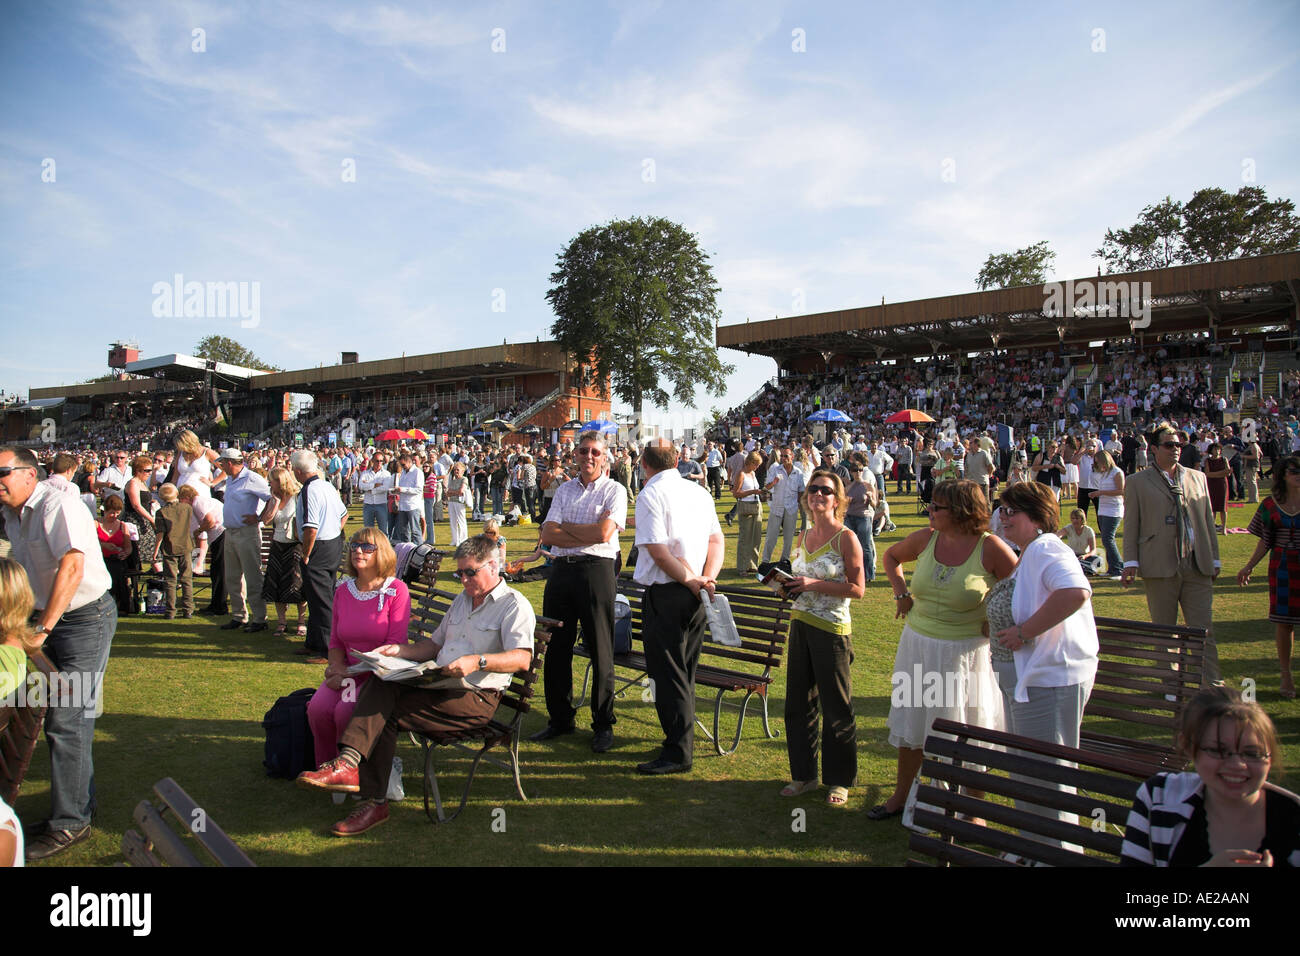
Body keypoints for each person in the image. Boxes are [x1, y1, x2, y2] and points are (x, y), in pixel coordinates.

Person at [296, 535, 534, 836]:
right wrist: (400, 652)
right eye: (459, 573)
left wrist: (478, 661)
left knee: (385, 711)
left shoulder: (513, 605)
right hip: (440, 685)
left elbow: (522, 658)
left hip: (475, 697)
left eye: (469, 572)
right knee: (382, 681)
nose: (462, 580)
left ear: (492, 566)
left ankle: (372, 799)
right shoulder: (462, 600)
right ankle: (350, 765)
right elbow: (433, 645)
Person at [872, 479, 1017, 820]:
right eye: (931, 505)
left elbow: (1020, 587)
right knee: (913, 724)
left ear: (963, 511)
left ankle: (972, 810)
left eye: (937, 507)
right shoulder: (926, 538)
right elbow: (891, 555)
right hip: (917, 646)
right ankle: (900, 796)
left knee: (968, 730)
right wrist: (901, 593)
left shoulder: (990, 547)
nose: (930, 511)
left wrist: (996, 619)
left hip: (966, 654)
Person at [0, 445, 116, 860]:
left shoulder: (58, 502)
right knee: (40, 707)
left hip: (82, 618)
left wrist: (41, 629)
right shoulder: (13, 510)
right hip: (45, 616)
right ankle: (76, 805)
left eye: (3, 472)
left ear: (30, 474)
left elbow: (73, 564)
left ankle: (72, 823)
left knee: (69, 718)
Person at [1120, 686, 1298, 866]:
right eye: (1218, 750)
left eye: (1252, 753)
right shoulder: (1159, 797)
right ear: (1188, 747)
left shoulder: (1294, 818)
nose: (1237, 765)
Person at [632, 436, 724, 774]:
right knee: (683, 671)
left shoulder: (650, 493)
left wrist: (692, 580)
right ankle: (678, 743)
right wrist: (706, 578)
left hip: (672, 591)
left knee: (668, 673)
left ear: (645, 465)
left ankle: (677, 751)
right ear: (675, 461)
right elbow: (717, 540)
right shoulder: (698, 492)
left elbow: (658, 550)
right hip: (695, 590)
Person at [530, 432, 626, 752]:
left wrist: (566, 530)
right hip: (561, 571)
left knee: (600, 649)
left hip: (597, 572)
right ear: (575, 455)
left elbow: (604, 533)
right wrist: (580, 533)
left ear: (605, 457)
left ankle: (602, 724)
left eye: (595, 452)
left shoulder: (615, 490)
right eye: (583, 451)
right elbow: (547, 531)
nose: (589, 456)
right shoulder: (564, 489)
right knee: (556, 646)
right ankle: (560, 719)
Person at [988, 481, 1098, 747]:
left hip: (1047, 683)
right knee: (1025, 769)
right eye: (1002, 510)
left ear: (1038, 515)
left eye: (1012, 511)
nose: (1003, 517)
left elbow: (1075, 591)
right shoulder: (1029, 551)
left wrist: (1024, 632)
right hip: (1027, 681)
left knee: (1044, 774)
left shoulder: (1046, 547)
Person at [778, 469, 865, 806]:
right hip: (800, 624)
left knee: (836, 707)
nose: (818, 495)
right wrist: (786, 587)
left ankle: (840, 780)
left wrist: (813, 585)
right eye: (813, 489)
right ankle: (803, 776)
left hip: (832, 631)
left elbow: (858, 589)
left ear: (837, 499)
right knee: (798, 705)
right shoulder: (802, 536)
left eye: (825, 491)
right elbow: (799, 580)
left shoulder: (846, 538)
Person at [1122, 422, 1220, 684]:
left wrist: (1215, 557)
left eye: (1179, 444)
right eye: (1169, 445)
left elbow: (1208, 521)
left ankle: (1211, 682)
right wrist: (1130, 560)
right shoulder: (1136, 482)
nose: (1175, 449)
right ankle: (1170, 683)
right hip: (1159, 562)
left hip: (1196, 562)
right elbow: (1131, 524)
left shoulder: (1197, 477)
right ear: (1154, 449)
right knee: (1165, 631)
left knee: (1203, 629)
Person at [308, 529, 411, 767]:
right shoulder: (343, 591)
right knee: (317, 708)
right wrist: (336, 667)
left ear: (382, 553)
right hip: (346, 673)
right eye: (354, 546)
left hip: (376, 676)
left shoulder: (396, 591)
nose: (357, 551)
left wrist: (351, 674)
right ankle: (325, 767)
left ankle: (353, 769)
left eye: (367, 547)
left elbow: (394, 644)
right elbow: (335, 641)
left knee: (345, 711)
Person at [1235, 455, 1300, 699]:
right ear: (1283, 474)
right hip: (1282, 566)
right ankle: (1286, 675)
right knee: (1284, 623)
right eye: (1294, 470)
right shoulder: (1270, 505)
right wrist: (1248, 567)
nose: (1298, 474)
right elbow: (1265, 541)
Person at [293, 450, 349, 658]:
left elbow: (311, 527)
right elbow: (344, 514)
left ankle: (328, 649)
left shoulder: (309, 490)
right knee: (317, 597)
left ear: (298, 471)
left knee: (322, 600)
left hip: (319, 546)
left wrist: (306, 553)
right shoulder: (326, 485)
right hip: (332, 543)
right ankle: (315, 642)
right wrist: (333, 531)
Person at [216, 448, 276, 634]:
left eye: (223, 462)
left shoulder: (252, 478)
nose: (221, 466)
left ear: (231, 462)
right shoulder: (232, 479)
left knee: (252, 576)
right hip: (231, 531)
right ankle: (239, 615)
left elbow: (272, 498)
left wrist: (259, 518)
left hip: (246, 533)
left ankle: (259, 617)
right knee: (232, 577)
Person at [261, 467, 308, 637]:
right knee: (276, 584)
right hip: (277, 544)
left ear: (280, 480)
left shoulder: (297, 496)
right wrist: (273, 503)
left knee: (296, 583)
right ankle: (282, 621)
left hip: (294, 544)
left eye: (271, 480)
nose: (269, 483)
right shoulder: (273, 498)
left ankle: (301, 621)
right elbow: (266, 521)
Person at [178, 484, 227, 615]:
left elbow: (210, 521)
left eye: (180, 499)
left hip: (221, 534)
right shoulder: (201, 502)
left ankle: (219, 606)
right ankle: (215, 604)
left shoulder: (197, 503)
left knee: (219, 571)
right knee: (216, 571)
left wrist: (199, 531)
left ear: (187, 497)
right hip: (219, 535)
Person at [152, 483, 195, 619]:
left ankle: (171, 611)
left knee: (170, 581)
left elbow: (160, 534)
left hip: (169, 548)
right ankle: (188, 609)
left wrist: (155, 551)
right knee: (187, 579)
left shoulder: (161, 512)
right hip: (185, 546)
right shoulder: (187, 508)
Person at [761, 446, 804, 566]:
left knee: (789, 537)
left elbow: (801, 491)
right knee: (771, 536)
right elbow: (766, 487)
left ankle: (784, 560)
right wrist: (773, 482)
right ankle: (765, 561)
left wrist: (799, 506)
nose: (784, 458)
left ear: (792, 457)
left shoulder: (798, 472)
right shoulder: (775, 469)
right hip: (776, 507)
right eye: (782, 456)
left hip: (791, 509)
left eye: (786, 456)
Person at [1090, 449, 1125, 579]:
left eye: (1098, 462)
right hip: (1103, 509)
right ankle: (1112, 568)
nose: (1097, 465)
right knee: (1105, 539)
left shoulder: (1117, 473)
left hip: (1114, 509)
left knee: (1108, 539)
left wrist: (1100, 493)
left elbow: (1121, 491)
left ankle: (1118, 569)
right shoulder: (1104, 473)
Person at [96, 496, 134, 615]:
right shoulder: (96, 524)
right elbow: (89, 543)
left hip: (117, 560)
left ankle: (121, 604)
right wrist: (104, 545)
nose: (115, 516)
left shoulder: (122, 526)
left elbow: (128, 547)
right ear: (105, 511)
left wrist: (125, 553)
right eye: (112, 513)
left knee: (117, 570)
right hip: (100, 560)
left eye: (117, 513)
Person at [732, 451, 765, 575]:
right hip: (746, 507)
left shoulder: (753, 473)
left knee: (756, 538)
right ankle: (742, 567)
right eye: (756, 464)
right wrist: (752, 492)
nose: (757, 467)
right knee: (745, 538)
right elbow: (736, 493)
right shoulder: (741, 474)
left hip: (756, 506)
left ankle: (752, 564)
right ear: (750, 462)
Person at [392, 452, 424, 545]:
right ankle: (406, 550)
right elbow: (402, 487)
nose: (402, 466)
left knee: (415, 530)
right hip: (403, 505)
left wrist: (402, 489)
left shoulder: (417, 472)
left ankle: (419, 550)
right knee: (404, 530)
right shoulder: (403, 472)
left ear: (409, 462)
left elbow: (418, 490)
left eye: (403, 464)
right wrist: (397, 491)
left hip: (412, 505)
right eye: (401, 465)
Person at [359, 452, 393, 538]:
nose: (379, 463)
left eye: (381, 461)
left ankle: (384, 549)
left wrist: (370, 488)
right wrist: (374, 485)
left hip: (381, 504)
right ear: (373, 461)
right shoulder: (365, 473)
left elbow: (385, 488)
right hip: (368, 504)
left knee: (383, 531)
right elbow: (361, 486)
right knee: (368, 531)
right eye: (377, 461)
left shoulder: (386, 474)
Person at [1060, 509, 1103, 576]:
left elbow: (1093, 550)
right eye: (1073, 518)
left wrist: (1084, 556)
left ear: (1082, 519)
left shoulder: (1088, 530)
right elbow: (1058, 535)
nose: (1074, 520)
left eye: (1077, 518)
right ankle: (1084, 568)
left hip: (1084, 557)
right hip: (1071, 556)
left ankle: (1079, 567)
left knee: (1098, 560)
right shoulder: (1069, 528)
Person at [1203, 442, 1230, 533]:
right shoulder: (1208, 461)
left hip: (1222, 484)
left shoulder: (1224, 459)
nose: (1217, 451)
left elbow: (1228, 472)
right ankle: (1212, 527)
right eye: (1215, 449)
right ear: (1211, 450)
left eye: (1218, 449)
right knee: (1212, 507)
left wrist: (1215, 474)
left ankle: (1224, 528)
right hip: (1212, 485)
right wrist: (1221, 473)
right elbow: (1207, 474)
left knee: (1223, 508)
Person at [446, 461, 471, 547]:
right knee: (453, 521)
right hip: (451, 502)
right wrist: (454, 492)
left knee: (461, 521)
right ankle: (455, 540)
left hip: (459, 502)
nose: (456, 471)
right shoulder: (452, 480)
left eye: (458, 470)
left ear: (462, 470)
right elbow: (447, 493)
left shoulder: (464, 479)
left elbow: (461, 491)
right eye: (455, 470)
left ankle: (463, 539)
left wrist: (452, 492)